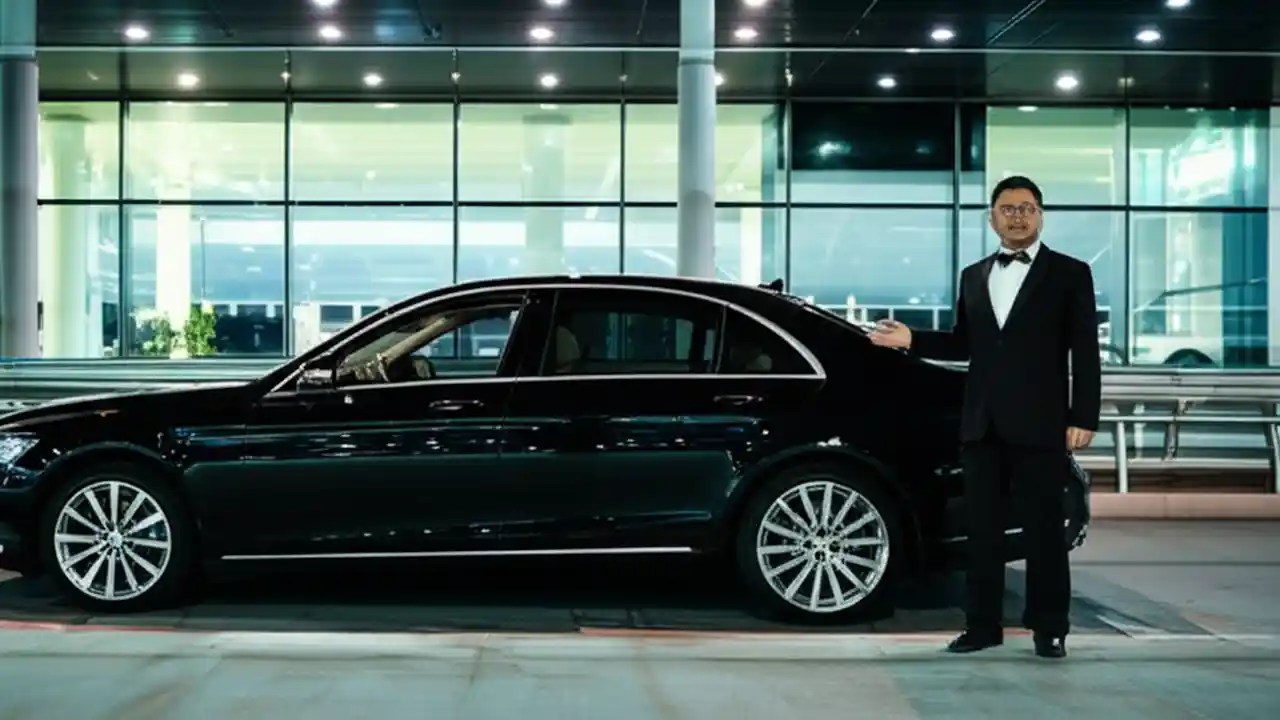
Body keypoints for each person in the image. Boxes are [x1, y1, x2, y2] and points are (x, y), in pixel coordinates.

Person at [869, 175, 1101, 659]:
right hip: (982, 425)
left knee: (1043, 532)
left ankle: (1050, 628)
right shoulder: (973, 275)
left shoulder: (1069, 273)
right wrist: (913, 339)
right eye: (1008, 208)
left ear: (1040, 216)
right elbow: (963, 344)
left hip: (1041, 424)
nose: (1018, 216)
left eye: (1027, 208)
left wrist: (1084, 416)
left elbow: (1085, 350)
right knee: (982, 533)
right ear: (992, 218)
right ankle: (981, 626)